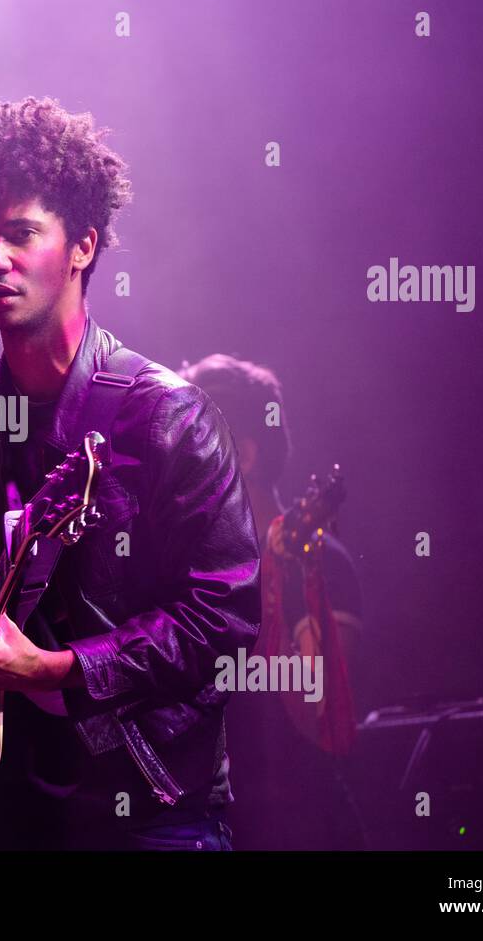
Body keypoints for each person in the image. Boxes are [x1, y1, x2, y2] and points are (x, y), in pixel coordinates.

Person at [0, 96, 261, 850]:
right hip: (1, 806)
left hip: (150, 806)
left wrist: (61, 667)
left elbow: (227, 618)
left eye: (21, 234)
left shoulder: (164, 416)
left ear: (83, 246)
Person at [179, 353, 367, 849]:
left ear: (243, 455)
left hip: (303, 831)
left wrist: (286, 579)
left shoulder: (323, 564)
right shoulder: (193, 578)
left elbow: (324, 713)